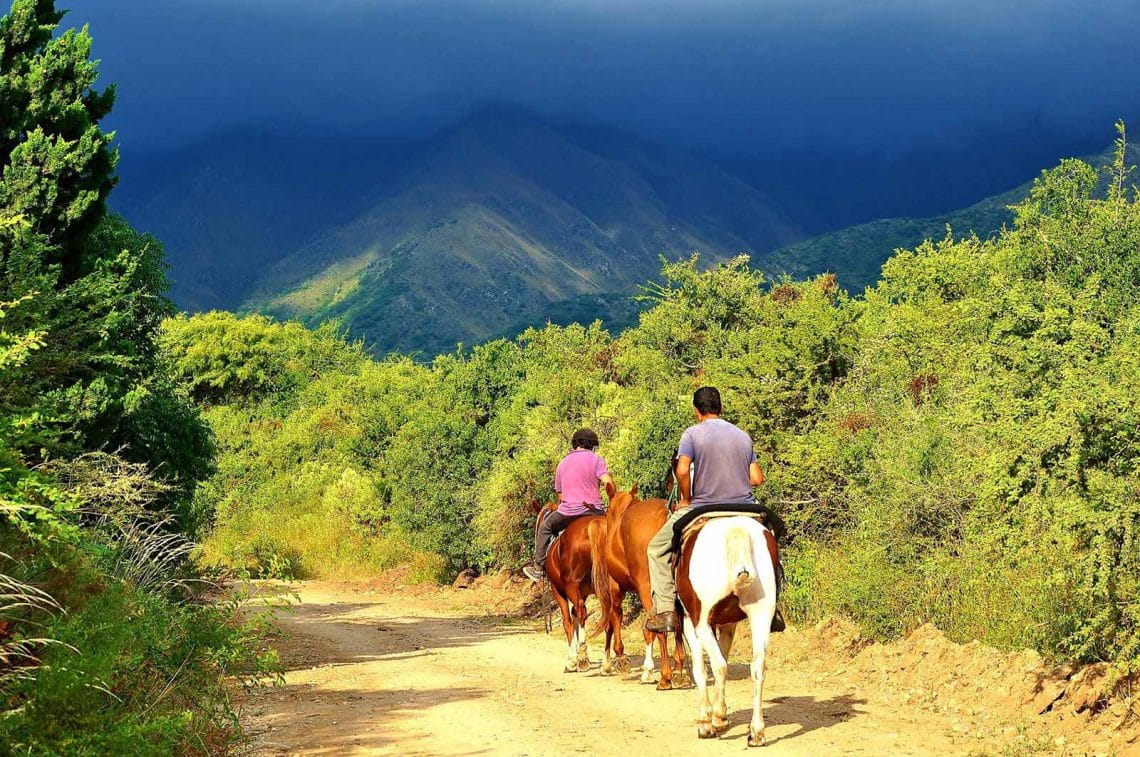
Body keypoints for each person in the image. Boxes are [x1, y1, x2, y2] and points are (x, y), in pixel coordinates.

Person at [644, 386, 784, 634]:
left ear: (696, 411)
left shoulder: (692, 434)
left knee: (656, 549)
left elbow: (683, 470)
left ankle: (665, 610)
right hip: (746, 507)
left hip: (703, 506)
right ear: (722, 408)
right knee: (772, 540)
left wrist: (687, 499)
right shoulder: (742, 436)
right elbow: (757, 478)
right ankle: (773, 607)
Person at [523, 428, 615, 582]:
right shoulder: (597, 460)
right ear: (592, 445)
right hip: (594, 511)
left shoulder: (562, 464)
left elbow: (561, 496)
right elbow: (609, 482)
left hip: (568, 512)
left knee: (545, 528)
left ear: (575, 444)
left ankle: (538, 568)